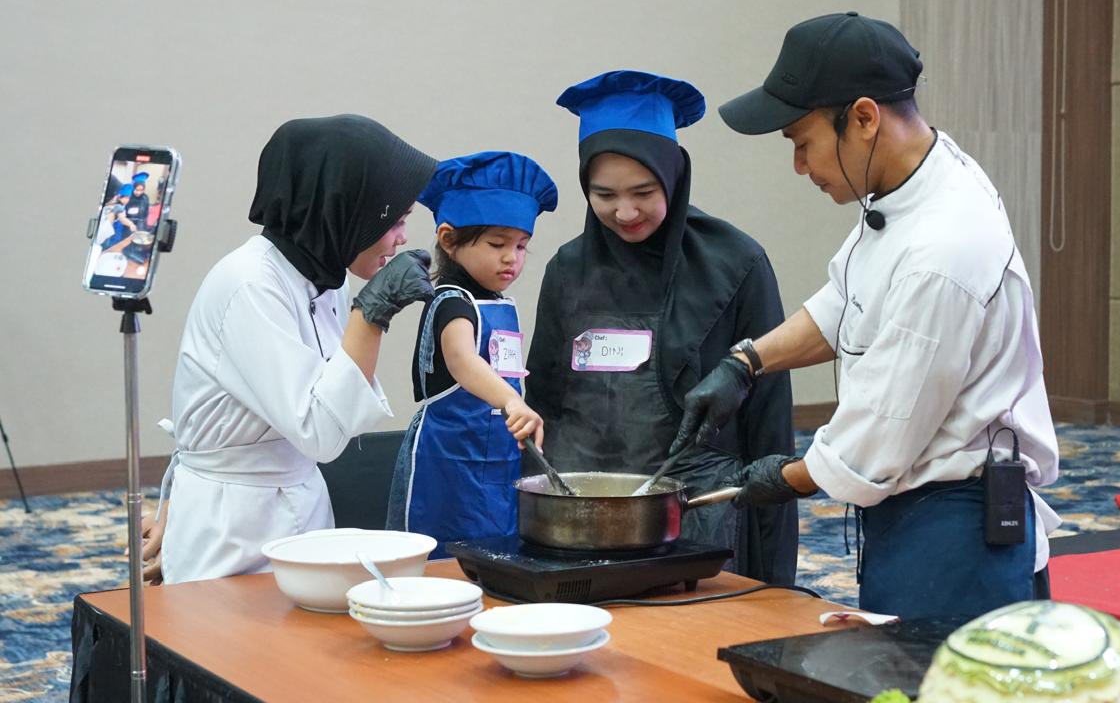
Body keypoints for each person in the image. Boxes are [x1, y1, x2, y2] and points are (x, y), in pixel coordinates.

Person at [671, 13, 1061, 619]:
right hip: (914, 506)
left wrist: (773, 478)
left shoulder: (944, 249)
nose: (800, 166)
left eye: (802, 143)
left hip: (956, 529)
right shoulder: (917, 177)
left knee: (937, 668)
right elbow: (846, 299)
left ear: (863, 118)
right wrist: (746, 362)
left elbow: (878, 437)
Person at [524, 70, 798, 584]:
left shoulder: (735, 263)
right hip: (587, 515)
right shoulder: (567, 270)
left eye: (643, 191)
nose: (625, 212)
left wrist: (775, 567)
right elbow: (544, 403)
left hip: (704, 518)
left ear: (673, 177)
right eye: (604, 195)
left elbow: (769, 420)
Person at [145, 114, 438, 584]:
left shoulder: (325, 278)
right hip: (229, 523)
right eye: (397, 221)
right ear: (347, 210)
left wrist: (367, 311)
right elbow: (320, 432)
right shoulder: (250, 284)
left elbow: (336, 412)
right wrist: (372, 314)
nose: (403, 238)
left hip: (299, 499)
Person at [385, 151, 557, 555]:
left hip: (497, 460)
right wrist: (511, 401)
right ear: (449, 240)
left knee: (498, 553)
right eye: (497, 244)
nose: (511, 258)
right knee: (446, 560)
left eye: (522, 246)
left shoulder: (502, 304)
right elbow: (463, 361)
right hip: (448, 461)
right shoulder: (451, 302)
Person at [98, 184, 136, 248]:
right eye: (126, 197)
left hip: (104, 228)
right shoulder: (118, 207)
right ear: (120, 196)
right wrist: (131, 224)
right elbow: (122, 219)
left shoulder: (114, 202)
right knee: (108, 246)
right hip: (108, 231)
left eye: (128, 198)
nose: (127, 200)